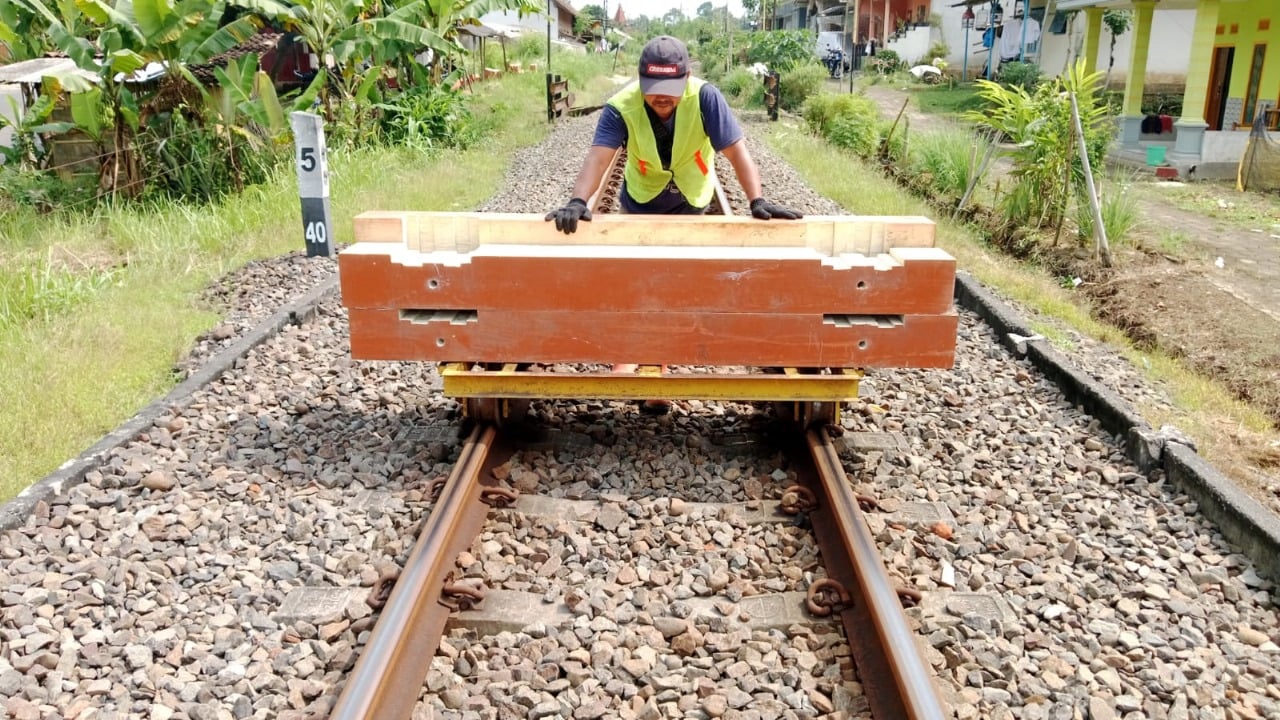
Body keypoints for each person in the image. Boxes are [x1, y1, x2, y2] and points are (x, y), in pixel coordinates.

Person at [545, 35, 803, 414]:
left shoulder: (706, 98)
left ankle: (658, 368)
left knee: (672, 284)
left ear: (686, 79)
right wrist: (578, 201)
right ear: (641, 81)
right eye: (653, 89)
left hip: (689, 198)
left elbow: (737, 152)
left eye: (670, 89)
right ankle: (625, 356)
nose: (661, 98)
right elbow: (599, 158)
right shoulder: (620, 106)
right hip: (641, 198)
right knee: (632, 280)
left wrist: (756, 200)